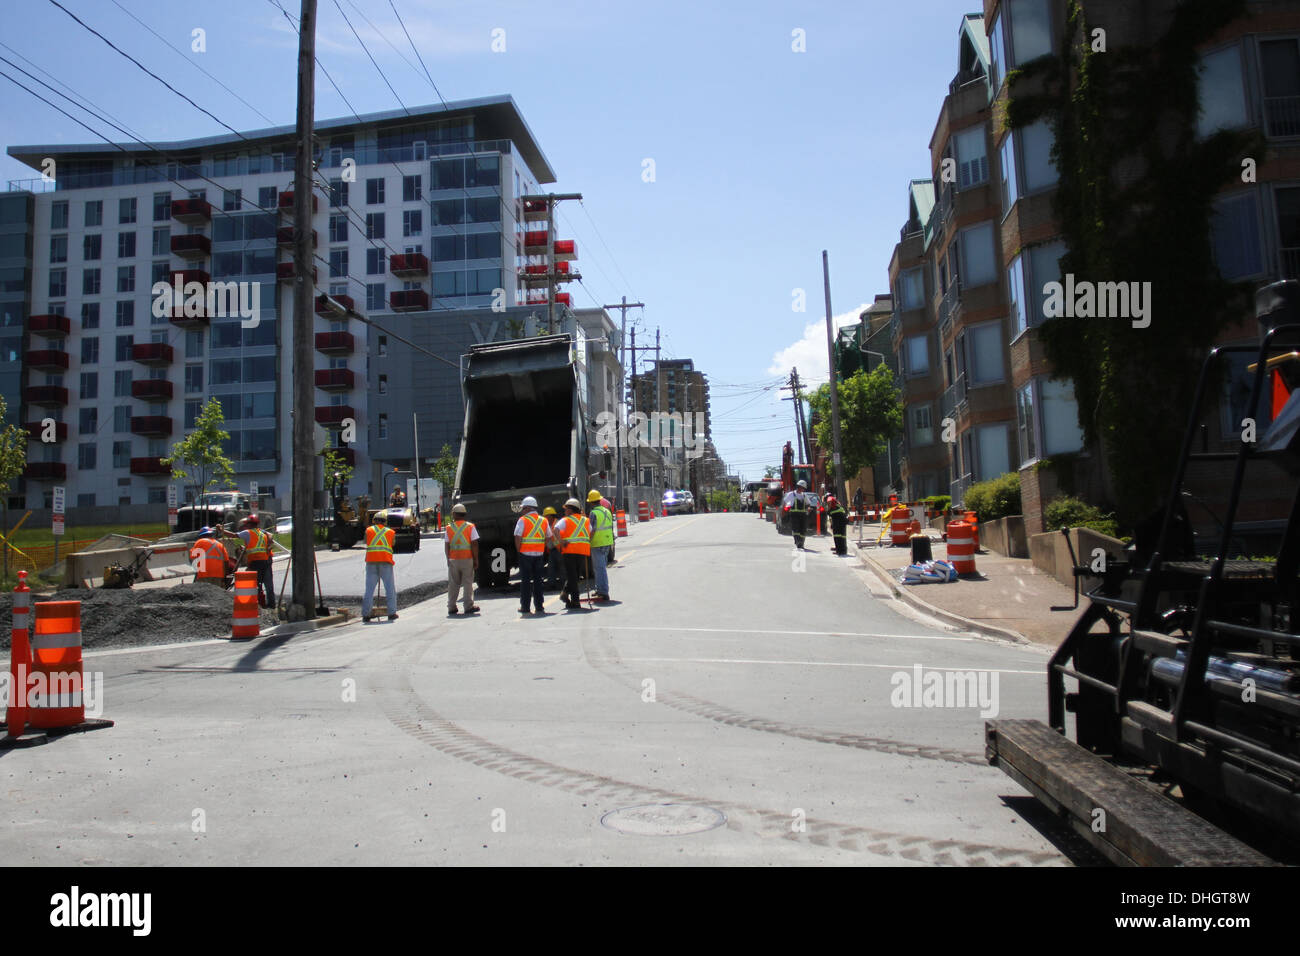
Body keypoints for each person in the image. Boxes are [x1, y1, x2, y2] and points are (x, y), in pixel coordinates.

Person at [223, 515, 275, 607]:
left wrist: (221, 531)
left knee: (253, 583)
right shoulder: (261, 533)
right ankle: (272, 605)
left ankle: (256, 604)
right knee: (268, 584)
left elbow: (233, 535)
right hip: (265, 561)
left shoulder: (247, 532)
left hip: (255, 562)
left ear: (249, 524)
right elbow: (270, 536)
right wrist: (269, 543)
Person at [513, 496, 552, 615]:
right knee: (538, 581)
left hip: (525, 554)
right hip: (539, 555)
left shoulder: (523, 520)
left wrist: (519, 550)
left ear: (528, 508)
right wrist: (542, 547)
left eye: (523, 508)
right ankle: (539, 606)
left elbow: (517, 536)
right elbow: (549, 537)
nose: (522, 511)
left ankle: (525, 607)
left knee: (525, 581)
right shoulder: (543, 520)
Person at [444, 503, 481, 616]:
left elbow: (447, 545)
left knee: (453, 584)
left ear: (454, 514)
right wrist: (476, 559)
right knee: (468, 583)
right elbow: (474, 544)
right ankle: (468, 606)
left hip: (454, 559)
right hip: (467, 558)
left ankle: (451, 606)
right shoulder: (470, 526)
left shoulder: (449, 528)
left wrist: (448, 559)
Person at [554, 498, 591, 609]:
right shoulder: (586, 520)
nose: (565, 511)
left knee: (572, 576)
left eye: (566, 509)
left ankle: (571, 598)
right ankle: (569, 596)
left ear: (571, 509)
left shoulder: (565, 520)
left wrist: (561, 541)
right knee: (575, 575)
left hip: (569, 551)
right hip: (582, 550)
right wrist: (587, 541)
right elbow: (592, 531)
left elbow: (555, 529)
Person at [362, 512, 398, 622]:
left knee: (369, 589)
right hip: (385, 562)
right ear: (385, 521)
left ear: (374, 520)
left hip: (371, 562)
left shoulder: (368, 531)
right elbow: (393, 544)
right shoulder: (390, 532)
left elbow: (365, 541)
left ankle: (366, 614)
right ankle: (392, 613)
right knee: (390, 588)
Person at [586, 490, 615, 601]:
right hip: (607, 542)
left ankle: (603, 592)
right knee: (600, 567)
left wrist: (587, 540)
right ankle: (600, 589)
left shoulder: (594, 513)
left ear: (591, 502)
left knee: (599, 568)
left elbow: (592, 530)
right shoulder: (606, 511)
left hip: (597, 543)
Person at [783, 479, 811, 549]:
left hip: (803, 516)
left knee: (803, 530)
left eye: (804, 488)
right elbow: (785, 503)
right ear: (798, 487)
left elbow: (808, 504)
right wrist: (786, 510)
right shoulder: (791, 494)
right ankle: (797, 542)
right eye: (802, 488)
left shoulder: (804, 496)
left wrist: (808, 508)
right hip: (794, 515)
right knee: (796, 529)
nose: (803, 490)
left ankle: (802, 543)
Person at [542, 506, 562, 590]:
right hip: (552, 550)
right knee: (551, 568)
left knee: (562, 567)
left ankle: (563, 584)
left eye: (546, 516)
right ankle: (551, 584)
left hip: (559, 549)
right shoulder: (547, 525)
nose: (545, 518)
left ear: (550, 516)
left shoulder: (558, 524)